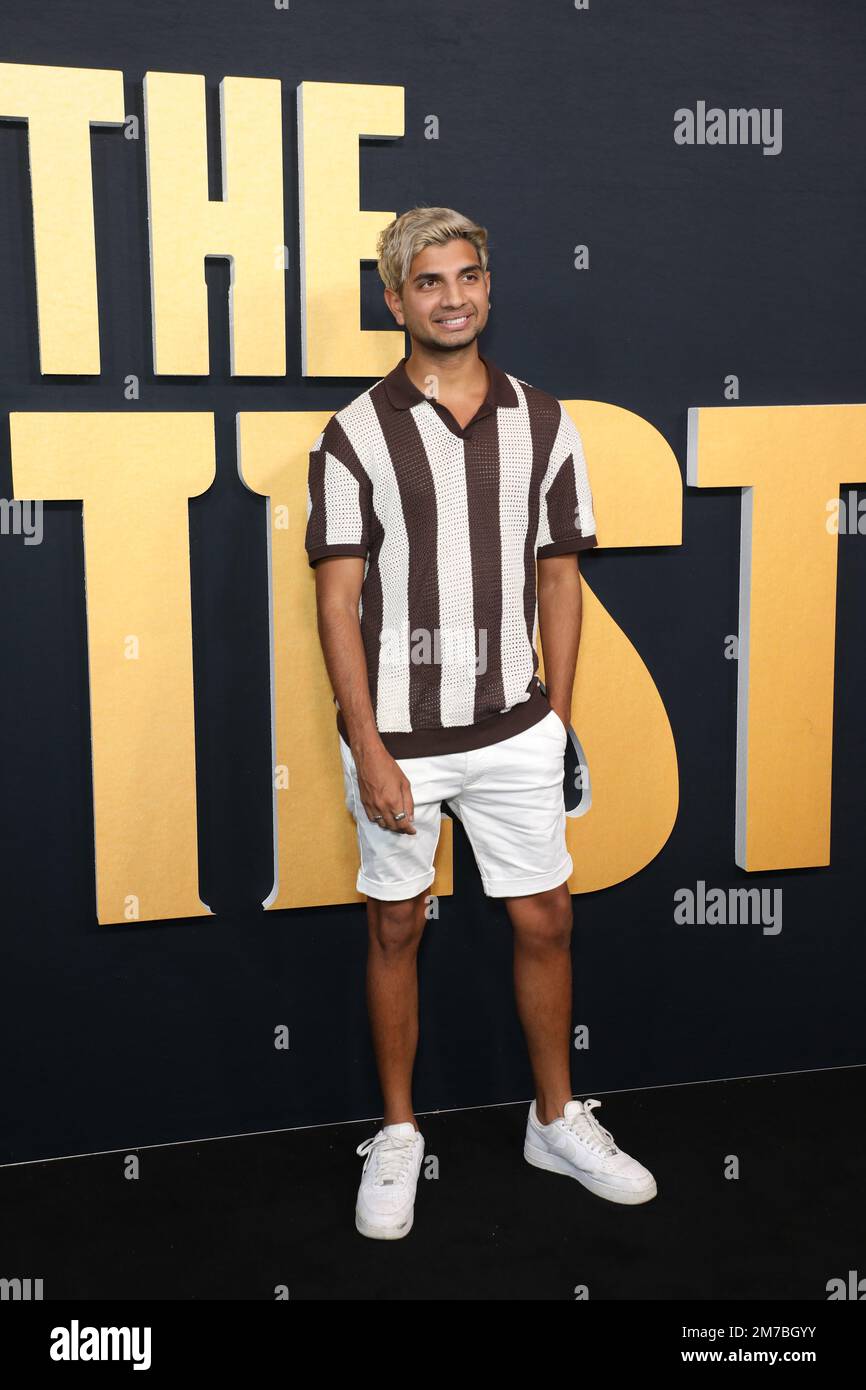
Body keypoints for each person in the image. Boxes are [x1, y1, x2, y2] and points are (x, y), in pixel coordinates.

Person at [305, 206, 656, 1240]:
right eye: (427, 282)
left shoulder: (544, 421)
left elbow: (561, 574)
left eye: (467, 277)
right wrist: (366, 743)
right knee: (395, 924)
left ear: (488, 287)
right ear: (394, 299)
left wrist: (554, 716)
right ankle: (402, 1132)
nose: (450, 296)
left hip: (512, 728)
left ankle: (553, 1119)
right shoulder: (353, 432)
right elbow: (335, 601)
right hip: (398, 737)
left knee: (545, 916)